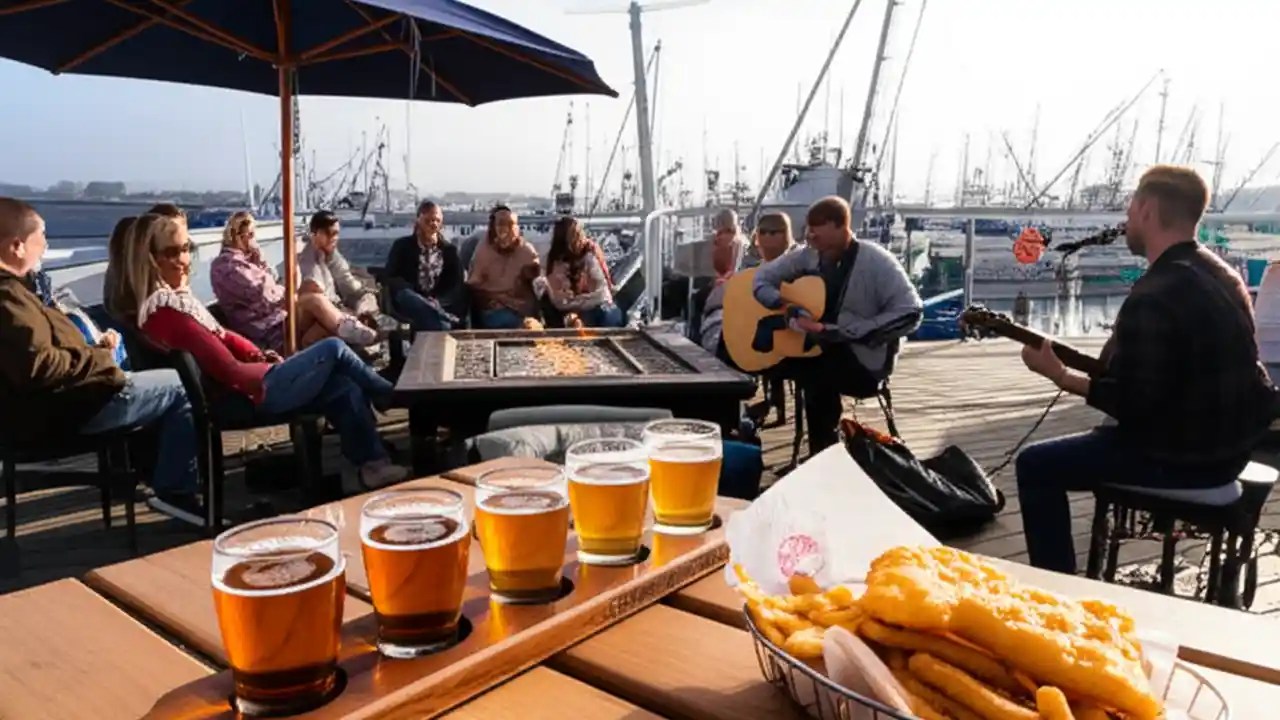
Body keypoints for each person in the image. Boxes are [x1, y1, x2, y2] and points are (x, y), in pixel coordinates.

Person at [1016, 165, 1276, 575]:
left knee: (1035, 464)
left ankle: (1060, 589)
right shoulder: (1224, 275)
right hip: (1231, 450)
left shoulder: (1155, 293)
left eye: (1131, 210)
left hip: (1184, 458)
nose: (1126, 221)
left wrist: (1060, 376)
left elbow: (1134, 404)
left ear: (1148, 210)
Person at [124, 213, 409, 489]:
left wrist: (263, 358)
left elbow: (228, 339)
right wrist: (271, 370)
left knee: (341, 385)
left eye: (187, 249)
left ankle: (370, 466)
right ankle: (389, 393)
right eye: (173, 252)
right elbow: (228, 370)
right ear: (150, 260)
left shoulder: (180, 304)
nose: (185, 260)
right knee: (333, 348)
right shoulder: (169, 312)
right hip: (251, 393)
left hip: (255, 378)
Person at [0, 198, 204, 524]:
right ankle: (175, 492)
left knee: (159, 382)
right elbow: (38, 365)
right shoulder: (8, 298)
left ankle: (156, 476)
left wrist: (92, 346)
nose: (46, 245)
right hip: (65, 410)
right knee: (181, 384)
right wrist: (97, 356)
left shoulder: (18, 293)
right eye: (42, 237)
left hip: (63, 402)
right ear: (17, 246)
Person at [753, 196, 923, 455]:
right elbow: (762, 278)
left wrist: (851, 332)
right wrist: (784, 305)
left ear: (840, 226)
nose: (809, 235)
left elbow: (911, 311)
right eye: (808, 228)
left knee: (815, 375)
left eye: (816, 228)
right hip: (818, 349)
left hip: (863, 361)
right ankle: (811, 447)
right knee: (761, 360)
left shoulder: (877, 260)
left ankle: (823, 452)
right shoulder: (808, 257)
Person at [211, 211, 376, 351]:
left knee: (324, 324)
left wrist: (260, 262)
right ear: (240, 236)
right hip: (268, 332)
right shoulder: (227, 267)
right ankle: (360, 334)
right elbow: (267, 297)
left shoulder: (247, 262)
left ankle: (343, 344)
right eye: (252, 235)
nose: (255, 241)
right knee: (314, 300)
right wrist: (295, 292)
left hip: (279, 321)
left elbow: (272, 282)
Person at [701, 211, 797, 359]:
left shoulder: (796, 264)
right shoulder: (753, 268)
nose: (767, 237)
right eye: (763, 232)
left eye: (774, 232)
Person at [298, 210, 387, 342]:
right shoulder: (308, 258)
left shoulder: (332, 255)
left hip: (341, 308)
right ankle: (366, 332)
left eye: (336, 233)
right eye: (330, 233)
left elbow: (347, 281)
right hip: (326, 316)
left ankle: (365, 326)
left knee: (368, 299)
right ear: (316, 235)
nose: (334, 238)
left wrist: (365, 296)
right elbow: (315, 289)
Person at [383, 200, 466, 332]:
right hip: (409, 298)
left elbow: (456, 283)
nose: (433, 224)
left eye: (437, 220)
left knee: (431, 321)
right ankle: (443, 317)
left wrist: (437, 299)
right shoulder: (402, 246)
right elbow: (389, 276)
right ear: (418, 221)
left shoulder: (449, 251)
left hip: (438, 301)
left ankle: (438, 320)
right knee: (410, 298)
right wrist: (414, 293)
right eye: (428, 220)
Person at [542, 216, 623, 328]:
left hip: (595, 307)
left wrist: (577, 301)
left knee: (607, 314)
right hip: (570, 310)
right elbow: (559, 302)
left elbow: (601, 294)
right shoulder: (554, 263)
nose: (583, 238)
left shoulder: (589, 256)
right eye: (577, 234)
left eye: (581, 233)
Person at [467, 205, 540, 329]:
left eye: (510, 225)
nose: (504, 231)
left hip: (521, 308)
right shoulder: (483, 252)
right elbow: (473, 286)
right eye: (500, 225)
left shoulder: (526, 252)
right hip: (494, 309)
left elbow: (539, 282)